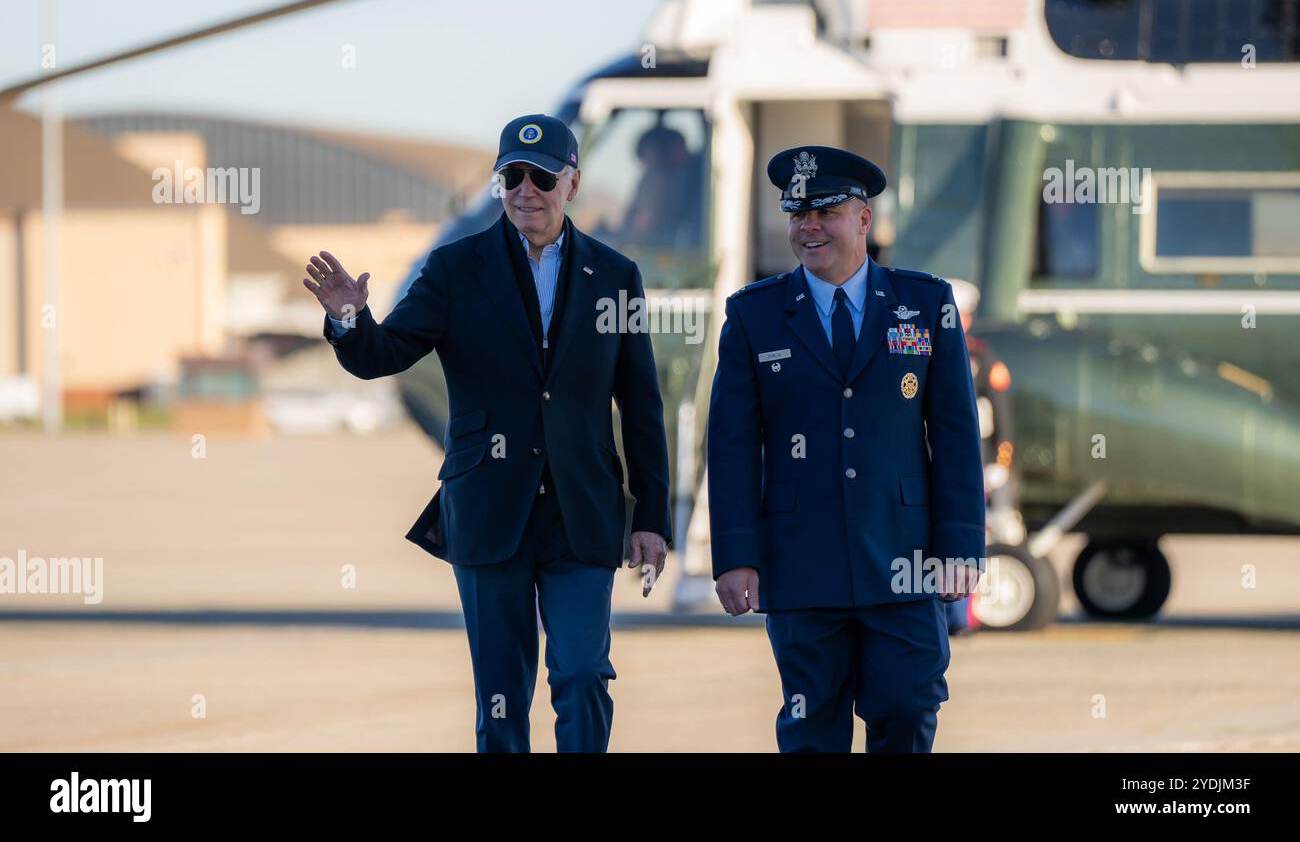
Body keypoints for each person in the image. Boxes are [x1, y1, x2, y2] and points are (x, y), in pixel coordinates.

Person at [303, 113, 672, 752]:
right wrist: (349, 320)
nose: (526, 189)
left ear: (573, 183)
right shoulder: (455, 269)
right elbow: (382, 354)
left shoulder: (616, 277)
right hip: (488, 506)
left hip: (581, 511)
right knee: (500, 696)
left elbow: (641, 403)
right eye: (511, 176)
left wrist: (652, 516)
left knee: (583, 673)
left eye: (541, 177)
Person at [707, 144, 985, 752]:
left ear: (863, 219)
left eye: (826, 212)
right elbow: (730, 446)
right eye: (797, 214)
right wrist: (734, 555)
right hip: (800, 561)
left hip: (904, 557)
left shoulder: (926, 303)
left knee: (909, 705)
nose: (809, 228)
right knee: (812, 728)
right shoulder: (755, 316)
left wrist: (961, 544)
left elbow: (956, 433)